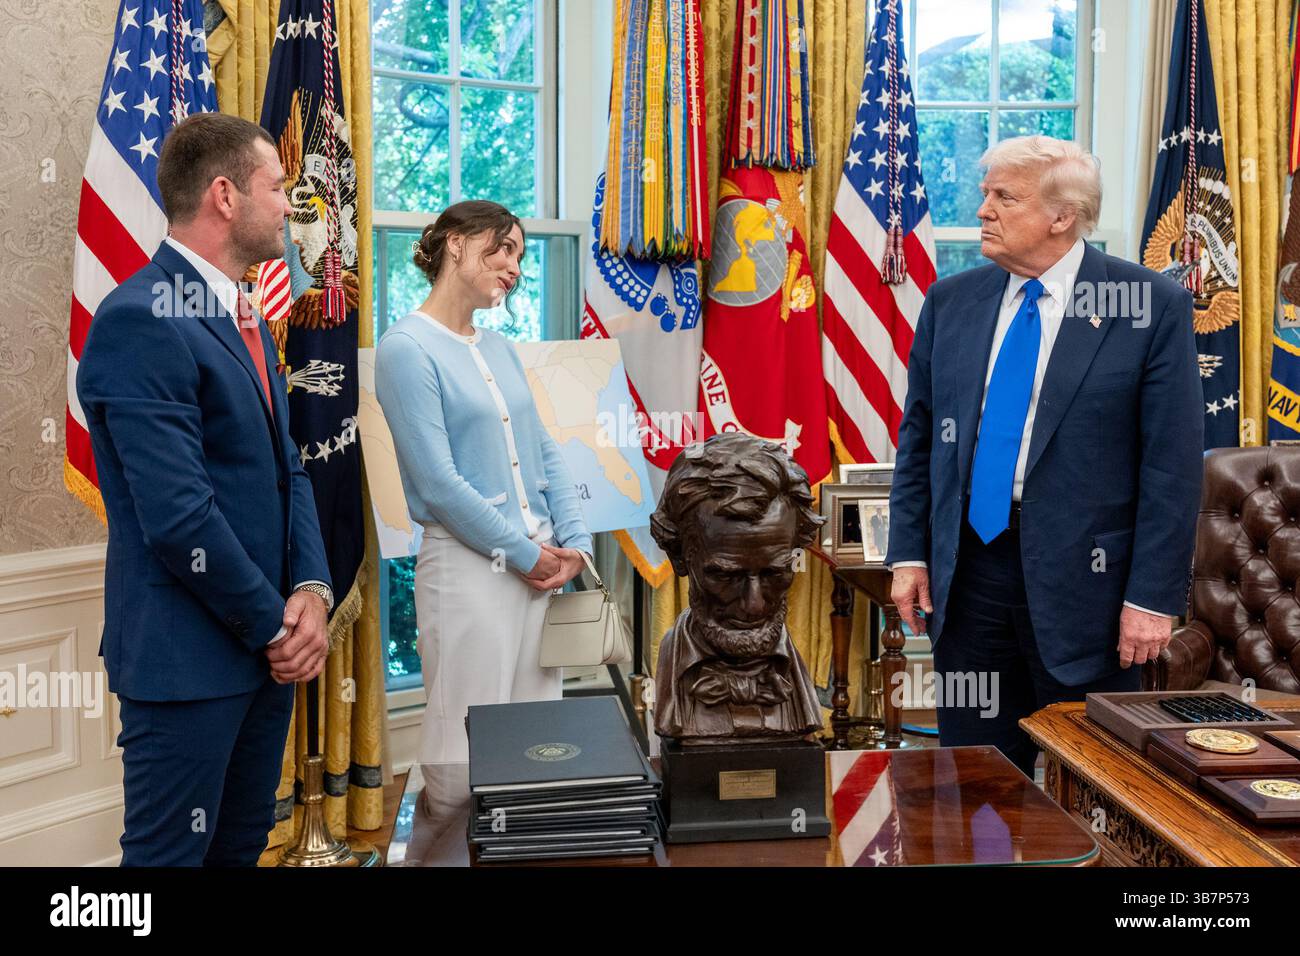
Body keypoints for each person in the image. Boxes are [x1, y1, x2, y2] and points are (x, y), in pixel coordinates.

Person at [886, 135, 1203, 778]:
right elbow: (920, 440)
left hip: (1093, 594)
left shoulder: (1145, 304)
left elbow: (1171, 467)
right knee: (973, 781)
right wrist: (911, 554)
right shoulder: (952, 302)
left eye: (1004, 197)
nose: (983, 211)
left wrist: (1152, 598)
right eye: (985, 195)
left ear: (1062, 216)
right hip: (969, 580)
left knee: (1093, 790)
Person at [76, 113, 333, 866]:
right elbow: (178, 518)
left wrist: (312, 588)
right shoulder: (139, 318)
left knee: (239, 848)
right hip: (189, 661)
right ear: (225, 195)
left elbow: (289, 466)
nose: (290, 206)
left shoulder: (240, 309)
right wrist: (276, 627)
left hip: (262, 655)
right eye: (277, 187)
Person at [374, 200, 593, 840]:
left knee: (536, 741)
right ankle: (446, 855)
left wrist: (573, 542)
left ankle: (525, 852)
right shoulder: (405, 348)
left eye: (521, 256)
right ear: (457, 245)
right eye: (504, 249)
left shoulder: (496, 345)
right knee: (462, 741)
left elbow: (543, 445)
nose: (514, 267)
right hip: (471, 574)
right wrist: (526, 557)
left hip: (542, 569)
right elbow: (439, 484)